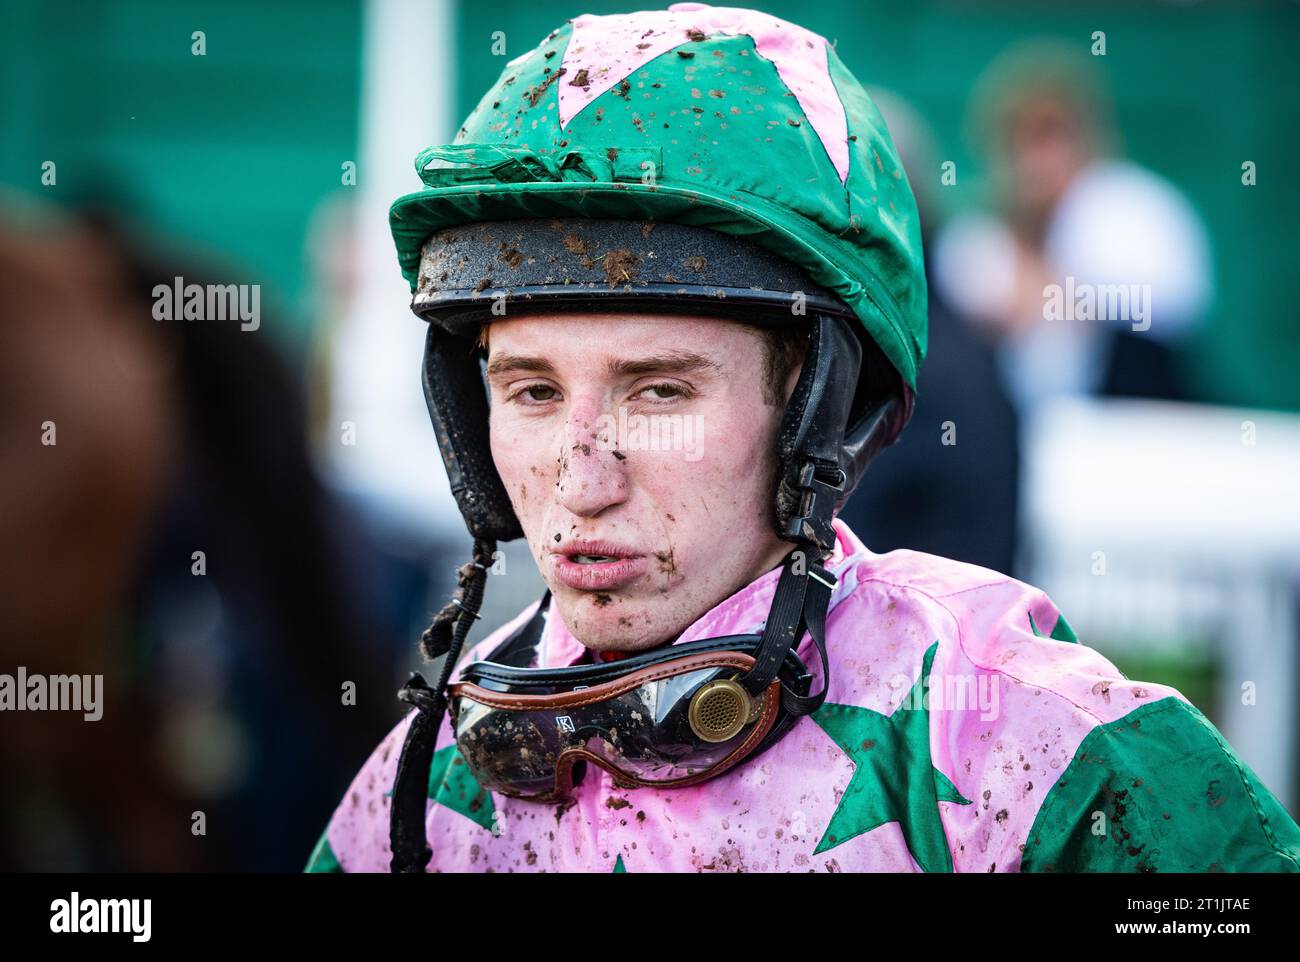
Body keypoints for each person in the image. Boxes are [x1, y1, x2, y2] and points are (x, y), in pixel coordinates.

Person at [306, 4, 1299, 873]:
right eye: (528, 389)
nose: (583, 475)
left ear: (823, 409)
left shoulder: (1023, 741)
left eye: (655, 389)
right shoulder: (418, 790)